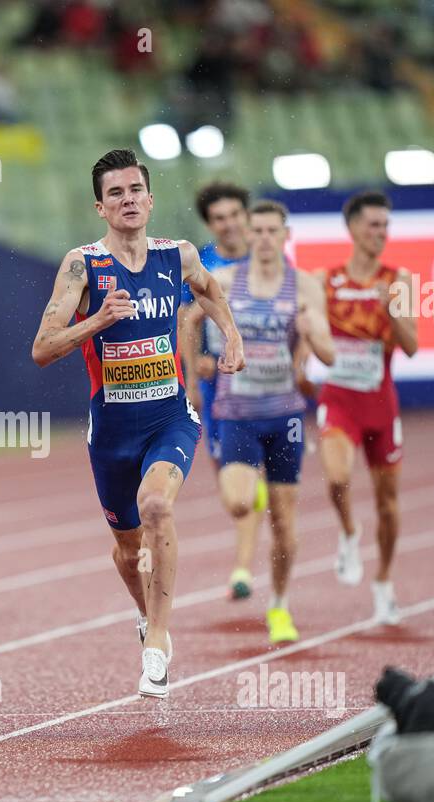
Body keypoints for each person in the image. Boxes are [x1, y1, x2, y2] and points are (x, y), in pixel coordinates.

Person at [31, 149, 245, 698]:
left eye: (135, 191)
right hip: (112, 431)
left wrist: (233, 337)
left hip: (170, 416)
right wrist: (97, 321)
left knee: (157, 506)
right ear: (100, 207)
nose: (128, 201)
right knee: (128, 550)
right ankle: (148, 617)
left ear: (150, 199)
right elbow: (42, 348)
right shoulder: (82, 266)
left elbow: (209, 290)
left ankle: (160, 640)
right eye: (116, 194)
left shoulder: (178, 254)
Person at [210, 200, 334, 644]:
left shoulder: (304, 287)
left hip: (286, 416)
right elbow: (190, 320)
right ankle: (253, 485)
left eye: (270, 231)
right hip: (238, 414)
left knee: (284, 521)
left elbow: (329, 355)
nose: (263, 239)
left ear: (285, 236)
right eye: (256, 231)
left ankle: (279, 605)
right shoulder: (223, 282)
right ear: (247, 235)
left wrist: (312, 329)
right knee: (241, 503)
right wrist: (195, 371)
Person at [311, 191, 417, 625]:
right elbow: (311, 337)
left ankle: (384, 581)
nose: (380, 233)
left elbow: (411, 346)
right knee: (337, 478)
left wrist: (389, 308)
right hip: (339, 401)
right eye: (372, 225)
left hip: (381, 405)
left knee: (388, 504)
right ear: (352, 228)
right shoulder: (324, 279)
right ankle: (350, 532)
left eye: (385, 226)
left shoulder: (399, 279)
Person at [177, 182, 267, 602]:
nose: (229, 224)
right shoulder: (200, 263)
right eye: (219, 219)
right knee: (233, 493)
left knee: (265, 491)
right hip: (221, 390)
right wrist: (194, 375)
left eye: (235, 215)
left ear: (246, 216)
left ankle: (243, 568)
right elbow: (186, 320)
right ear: (209, 224)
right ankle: (250, 495)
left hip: (269, 386)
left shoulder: (269, 255)